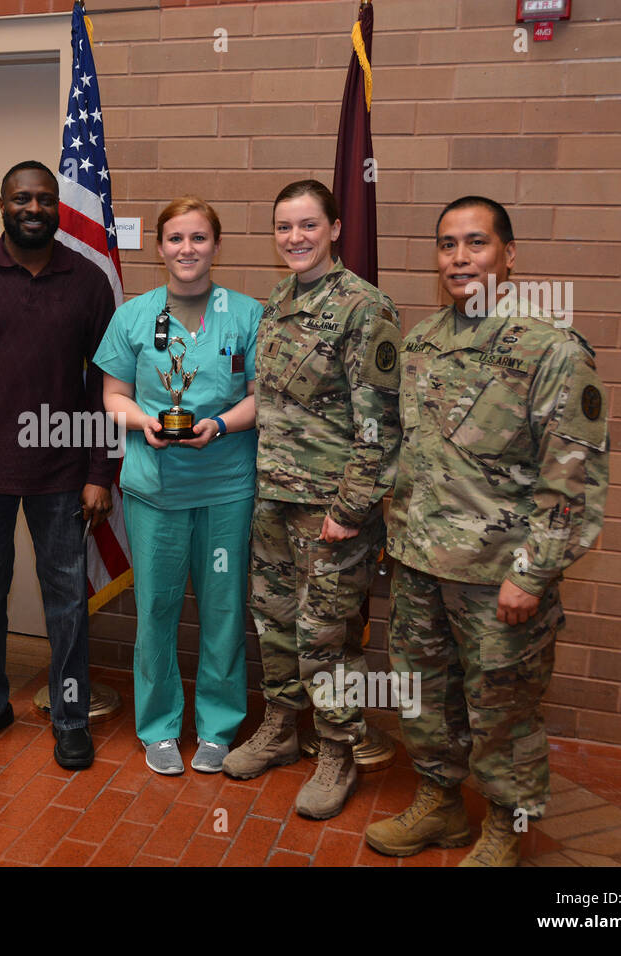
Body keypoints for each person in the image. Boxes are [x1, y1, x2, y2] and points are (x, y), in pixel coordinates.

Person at [364, 196, 608, 866]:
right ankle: (440, 804)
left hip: (499, 578)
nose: (460, 258)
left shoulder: (550, 351)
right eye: (447, 245)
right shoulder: (419, 345)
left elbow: (572, 480)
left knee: (504, 714)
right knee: (424, 699)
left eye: (476, 243)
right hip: (419, 567)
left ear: (508, 254)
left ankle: (508, 824)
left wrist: (532, 573)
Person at [0, 161, 114, 771]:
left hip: (63, 477)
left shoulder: (87, 281)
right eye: (21, 199)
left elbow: (103, 386)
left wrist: (98, 473)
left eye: (45, 199)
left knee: (66, 602)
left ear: (58, 206)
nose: (34, 209)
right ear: (1, 203)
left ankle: (70, 717)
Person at [223, 180, 402, 822]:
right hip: (273, 497)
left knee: (325, 635)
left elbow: (379, 426)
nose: (294, 238)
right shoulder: (278, 300)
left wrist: (349, 511)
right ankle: (280, 729)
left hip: (329, 509)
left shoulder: (364, 308)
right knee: (274, 622)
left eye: (306, 225)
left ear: (334, 229)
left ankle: (337, 751)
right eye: (283, 227)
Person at [93, 196, 261, 775]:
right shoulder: (133, 316)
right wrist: (143, 423)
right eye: (175, 239)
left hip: (224, 490)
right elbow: (113, 395)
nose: (186, 250)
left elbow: (263, 399)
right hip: (154, 491)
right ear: (160, 247)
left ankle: (218, 726)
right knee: (157, 610)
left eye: (198, 238)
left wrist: (217, 425)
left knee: (221, 610)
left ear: (216, 245)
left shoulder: (247, 315)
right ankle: (159, 726)